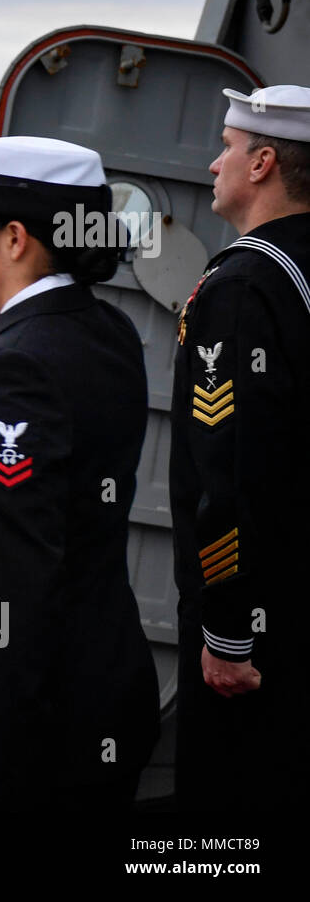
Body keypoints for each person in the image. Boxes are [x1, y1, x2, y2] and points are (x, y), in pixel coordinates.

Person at [0, 136, 159, 811]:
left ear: (17, 238)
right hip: (103, 693)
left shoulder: (15, 365)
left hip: (35, 734)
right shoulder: (108, 330)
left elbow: (16, 577)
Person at [171, 85, 310, 810]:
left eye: (226, 146)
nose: (213, 161)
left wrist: (227, 629)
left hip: (257, 625)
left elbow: (231, 472)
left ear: (261, 163)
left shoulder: (241, 287)